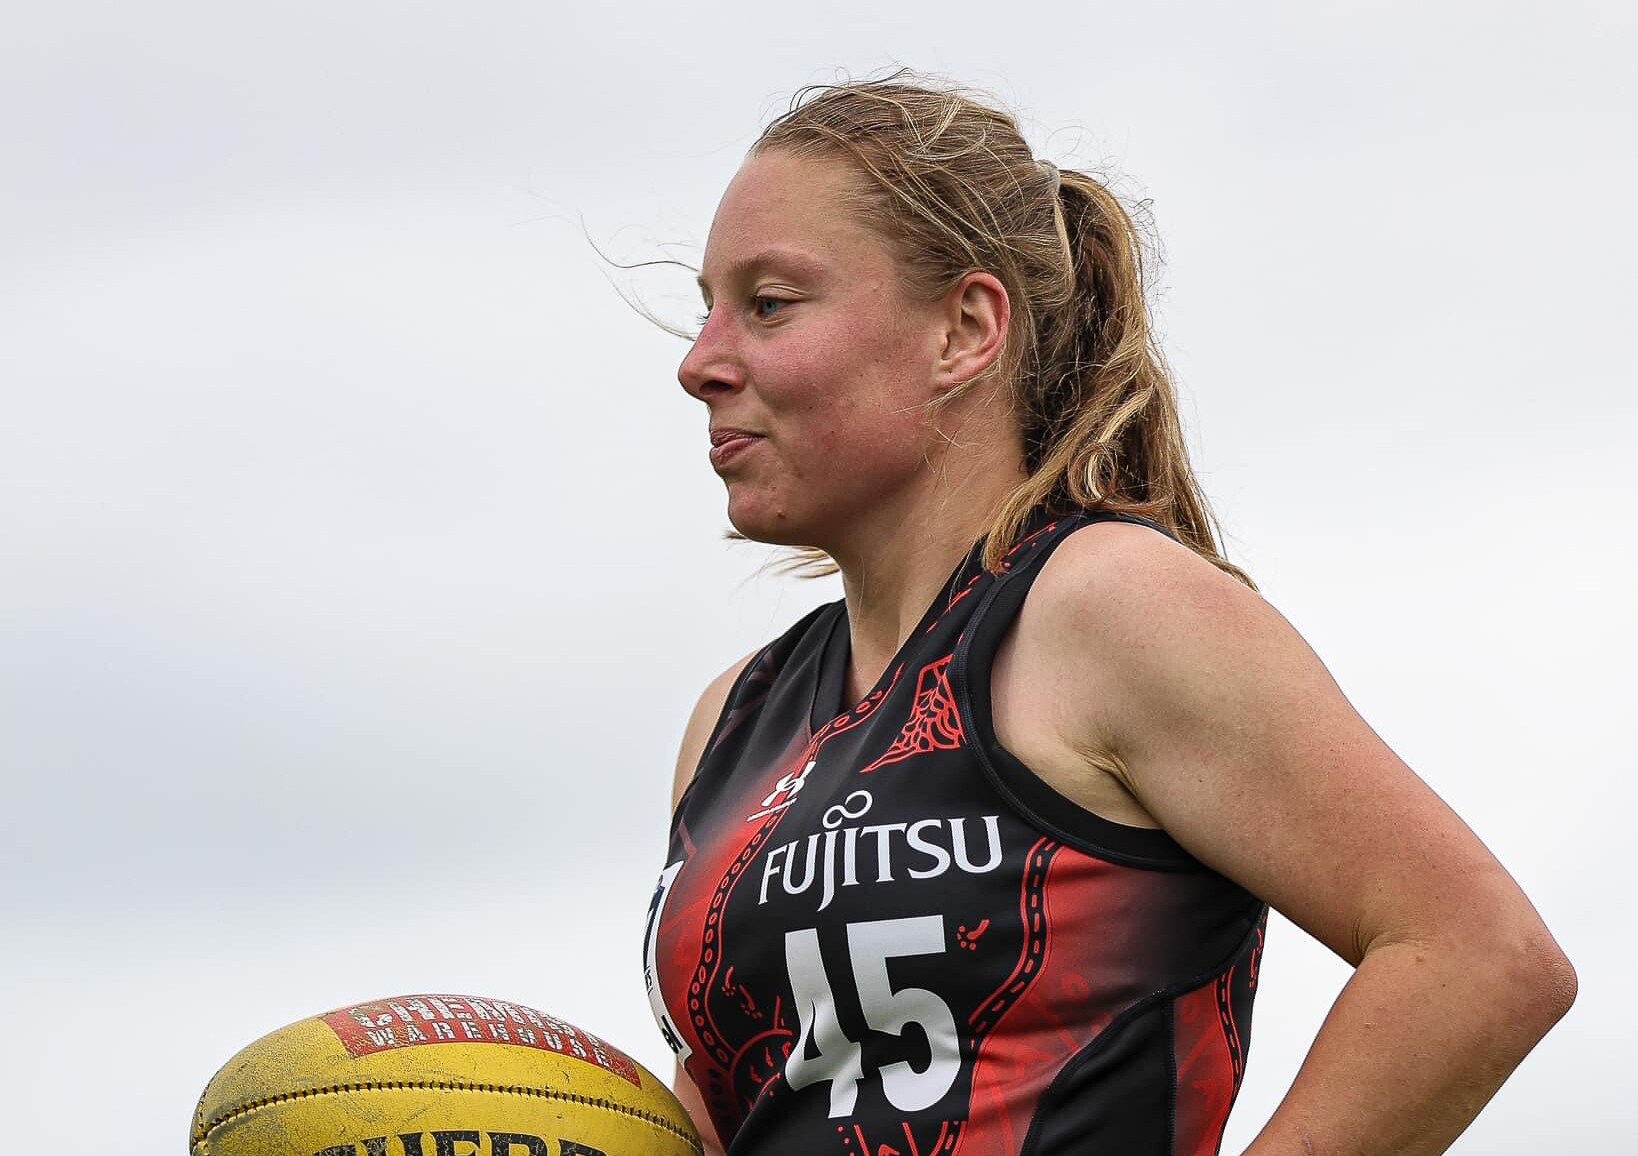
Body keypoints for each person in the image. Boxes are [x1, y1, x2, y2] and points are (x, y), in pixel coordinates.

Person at [639, 74, 1574, 1156]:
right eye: (706, 308)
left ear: (964, 331)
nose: (699, 363)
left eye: (769, 303)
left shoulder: (1106, 609)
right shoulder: (731, 721)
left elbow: (1479, 955)